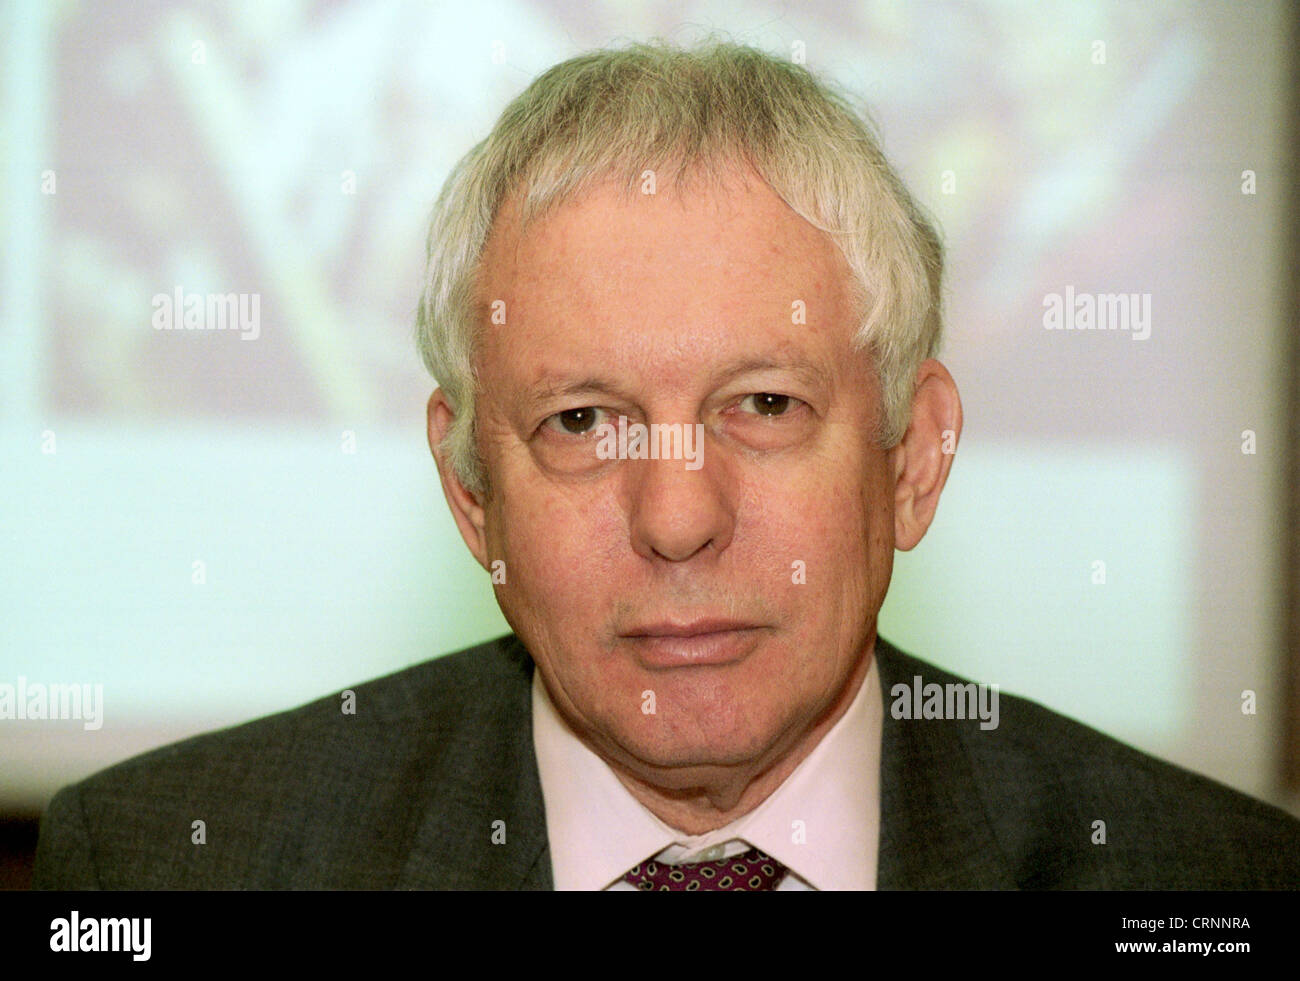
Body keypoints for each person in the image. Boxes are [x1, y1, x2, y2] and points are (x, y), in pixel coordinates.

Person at [33, 39, 1300, 890]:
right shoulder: (164, 871)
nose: (678, 515)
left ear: (911, 459)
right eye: (581, 422)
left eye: (763, 403)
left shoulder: (1205, 882)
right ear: (471, 488)